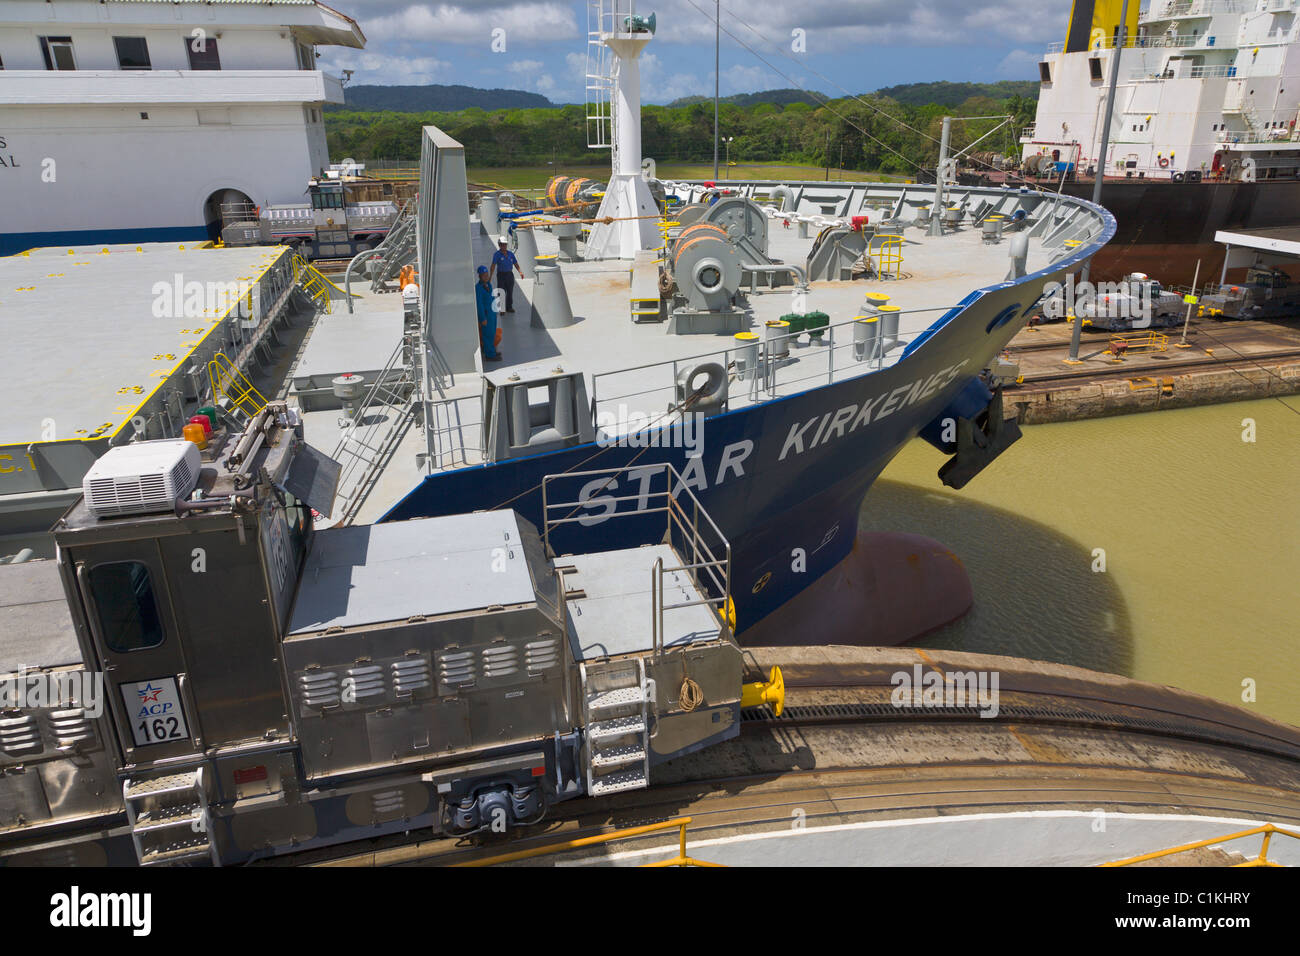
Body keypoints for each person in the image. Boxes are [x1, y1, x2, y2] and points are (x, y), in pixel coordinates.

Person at [489, 236, 523, 314]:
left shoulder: (511, 254)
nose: (504, 246)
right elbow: (493, 266)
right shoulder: (496, 255)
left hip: (509, 275)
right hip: (501, 275)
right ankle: (502, 309)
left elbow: (516, 264)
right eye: (502, 244)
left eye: (505, 244)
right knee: (501, 292)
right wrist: (490, 276)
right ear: (499, 245)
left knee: (510, 291)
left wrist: (520, 272)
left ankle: (509, 307)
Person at [475, 265, 502, 362]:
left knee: (492, 333)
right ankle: (489, 355)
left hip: (492, 314)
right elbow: (479, 305)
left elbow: (492, 298)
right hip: (486, 316)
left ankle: (492, 351)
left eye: (487, 275)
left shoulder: (489, 285)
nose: (486, 277)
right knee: (487, 335)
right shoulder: (478, 288)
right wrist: (482, 319)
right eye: (484, 275)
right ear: (480, 276)